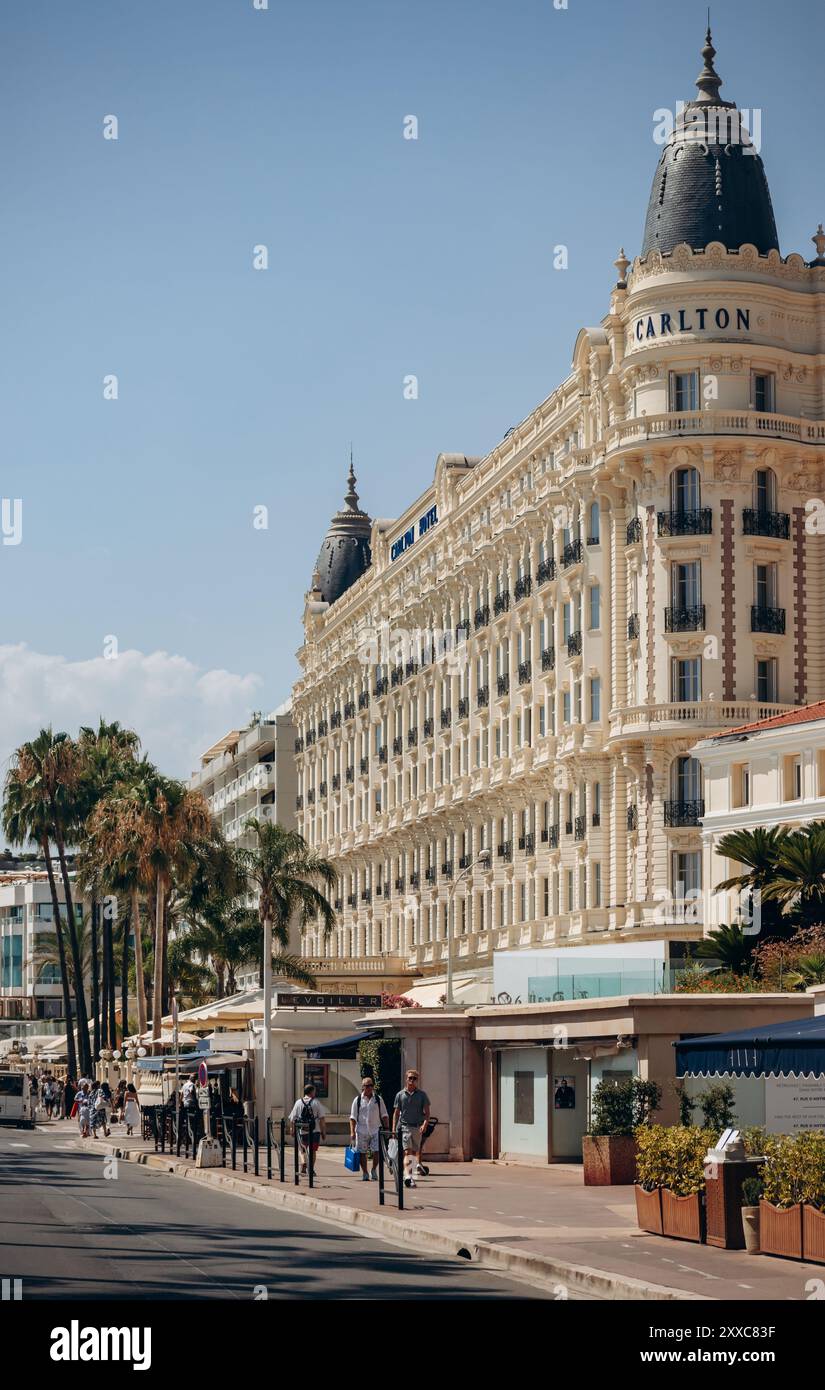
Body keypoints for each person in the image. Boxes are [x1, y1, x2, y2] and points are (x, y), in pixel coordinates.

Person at [392, 1069, 431, 1188]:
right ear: (406, 1079)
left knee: (414, 1154)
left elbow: (427, 1113)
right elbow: (396, 1113)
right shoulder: (400, 1095)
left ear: (417, 1080)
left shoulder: (422, 1095)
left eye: (414, 1078)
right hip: (405, 1127)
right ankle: (408, 1176)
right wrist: (393, 1128)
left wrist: (425, 1124)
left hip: (417, 1127)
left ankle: (410, 1177)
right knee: (407, 1152)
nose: (412, 1080)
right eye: (410, 1078)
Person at [349, 1077, 389, 1181]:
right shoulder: (357, 1100)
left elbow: (384, 1115)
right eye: (367, 1086)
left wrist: (387, 1129)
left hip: (376, 1129)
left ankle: (374, 1169)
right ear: (363, 1087)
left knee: (377, 1151)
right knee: (362, 1152)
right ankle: (365, 1172)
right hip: (361, 1130)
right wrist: (352, 1132)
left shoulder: (378, 1099)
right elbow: (353, 1118)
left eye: (371, 1085)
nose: (369, 1088)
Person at [288, 1083, 327, 1175]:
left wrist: (291, 1129)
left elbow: (292, 1118)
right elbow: (322, 1119)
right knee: (313, 1150)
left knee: (302, 1149)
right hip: (315, 1130)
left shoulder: (298, 1102)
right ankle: (311, 1169)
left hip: (303, 1130)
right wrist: (323, 1132)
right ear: (312, 1092)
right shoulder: (316, 1102)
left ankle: (303, 1162)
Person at [181, 1072, 202, 1156]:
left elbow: (182, 1094)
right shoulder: (192, 1085)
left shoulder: (185, 1084)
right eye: (195, 1078)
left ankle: (188, 1136)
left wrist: (180, 1103)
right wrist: (196, 1101)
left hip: (185, 1103)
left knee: (188, 1120)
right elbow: (192, 1092)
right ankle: (191, 1137)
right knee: (193, 1121)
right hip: (191, 1104)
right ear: (193, 1079)